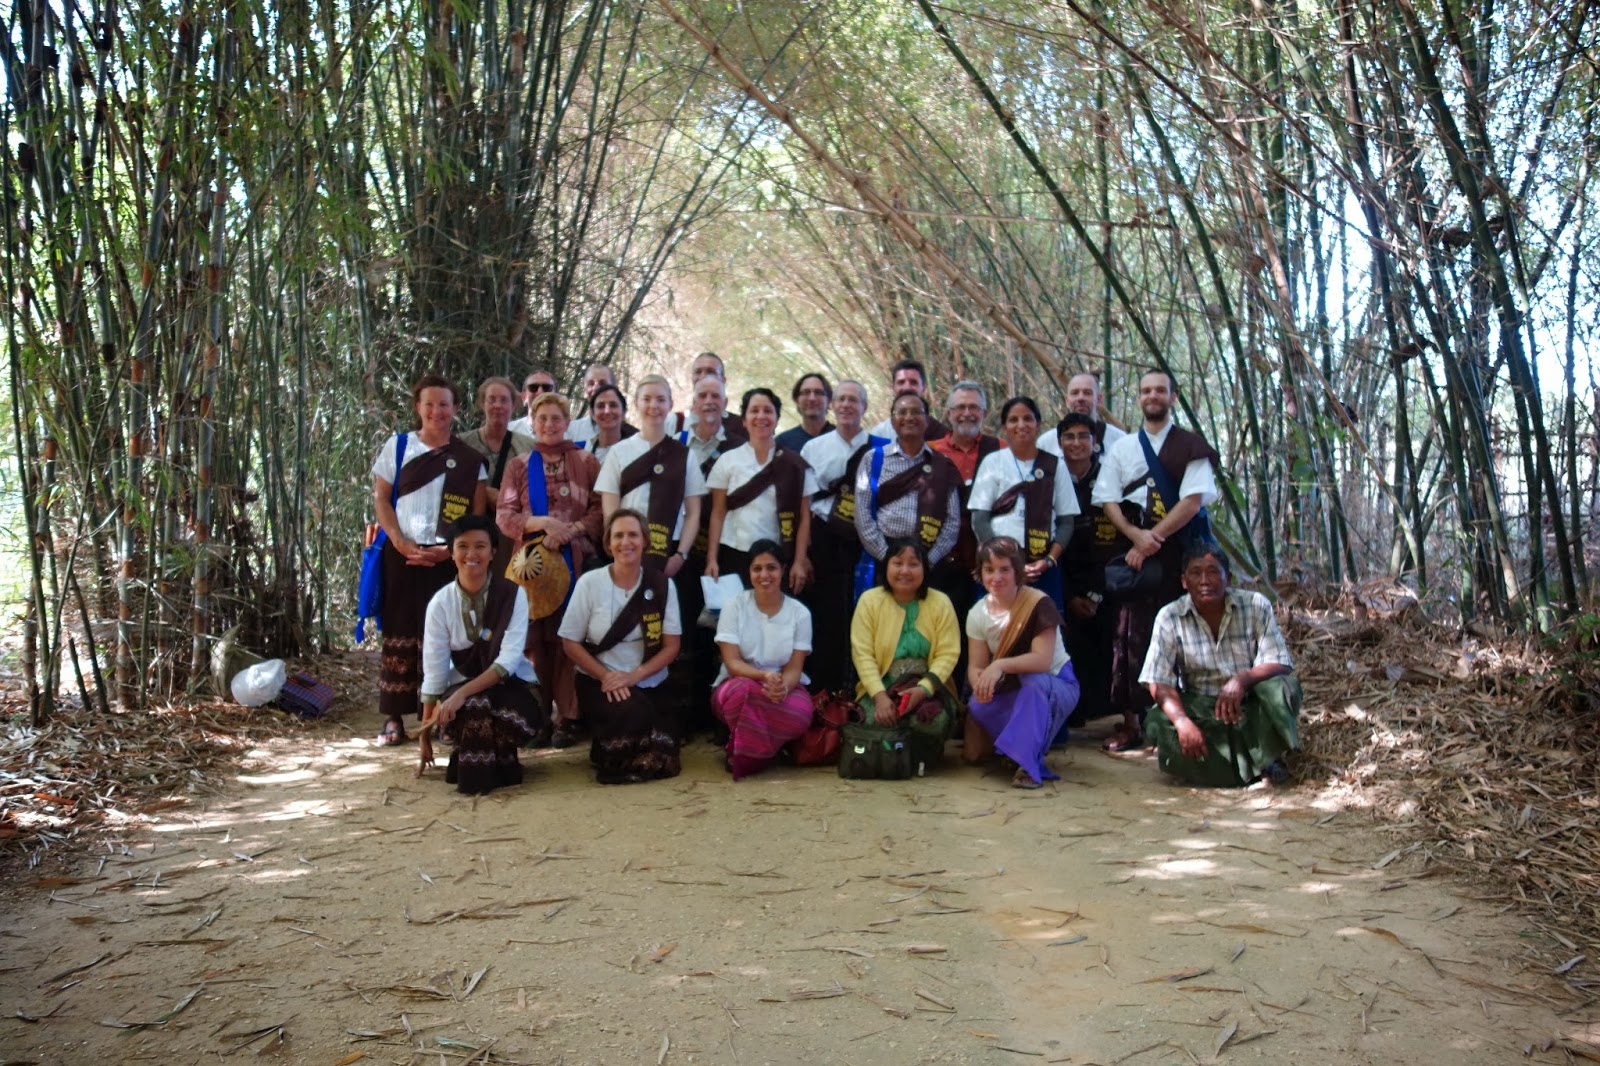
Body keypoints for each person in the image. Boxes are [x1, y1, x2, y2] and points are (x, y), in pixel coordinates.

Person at [1092, 369, 1219, 752]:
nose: (1152, 396)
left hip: (1180, 552)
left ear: (1173, 397)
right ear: (1139, 398)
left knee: (1180, 634)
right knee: (1128, 632)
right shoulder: (1123, 448)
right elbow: (1108, 498)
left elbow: (1192, 501)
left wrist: (1153, 538)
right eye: (1146, 391)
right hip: (1133, 547)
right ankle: (1132, 722)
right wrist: (1135, 537)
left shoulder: (1190, 446)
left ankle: (1170, 724)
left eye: (1160, 390)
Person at [370, 374, 488, 746]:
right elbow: (381, 499)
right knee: (399, 630)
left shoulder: (470, 460)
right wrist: (401, 542)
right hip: (401, 554)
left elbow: (477, 517)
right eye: (429, 404)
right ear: (417, 407)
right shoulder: (399, 446)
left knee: (444, 634)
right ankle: (394, 715)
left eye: (444, 404)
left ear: (455, 409)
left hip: (447, 559)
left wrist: (451, 550)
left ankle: (442, 715)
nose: (436, 411)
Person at [1140, 545, 1299, 787]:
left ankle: (1266, 759)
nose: (1205, 581)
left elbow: (1280, 663)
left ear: (1229, 579)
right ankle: (1234, 766)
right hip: (1202, 708)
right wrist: (1183, 723)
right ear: (1184, 581)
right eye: (1196, 572)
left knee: (1281, 689)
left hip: (1247, 704)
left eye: (1213, 572)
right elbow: (1158, 681)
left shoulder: (1256, 605)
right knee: (1157, 720)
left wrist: (1241, 681)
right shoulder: (1169, 616)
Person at [497, 391, 603, 747]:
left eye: (556, 418)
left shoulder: (586, 462)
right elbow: (504, 515)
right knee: (535, 641)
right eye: (542, 419)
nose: (549, 425)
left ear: (567, 422)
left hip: (574, 562)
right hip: (530, 567)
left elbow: (599, 510)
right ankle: (539, 715)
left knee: (568, 638)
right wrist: (540, 522)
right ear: (532, 422)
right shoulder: (519, 465)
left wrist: (569, 532)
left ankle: (569, 718)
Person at [415, 515, 539, 794]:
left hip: (510, 687)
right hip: (459, 690)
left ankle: (475, 768)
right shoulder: (440, 604)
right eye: (463, 546)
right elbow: (434, 671)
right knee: (474, 706)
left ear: (494, 552)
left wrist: (461, 694)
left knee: (477, 703)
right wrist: (425, 735)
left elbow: (507, 661)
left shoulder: (512, 594)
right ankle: (492, 770)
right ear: (451, 553)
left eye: (480, 546)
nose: (472, 555)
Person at [558, 509, 683, 784]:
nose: (626, 542)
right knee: (630, 711)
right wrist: (608, 677)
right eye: (618, 536)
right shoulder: (590, 583)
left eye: (633, 535)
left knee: (666, 739)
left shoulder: (662, 585)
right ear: (608, 544)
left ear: (645, 541)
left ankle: (612, 748)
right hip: (600, 681)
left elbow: (671, 646)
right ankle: (614, 760)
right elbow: (570, 642)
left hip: (648, 680)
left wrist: (634, 676)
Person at [964, 537, 1079, 788]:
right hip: (1016, 684)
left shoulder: (1038, 603)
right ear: (980, 573)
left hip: (1056, 683)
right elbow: (975, 666)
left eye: (1005, 569)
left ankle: (1028, 765)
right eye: (989, 569)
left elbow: (1042, 661)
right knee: (977, 705)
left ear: (1018, 571)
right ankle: (1014, 752)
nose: (997, 577)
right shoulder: (977, 614)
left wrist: (999, 666)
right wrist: (980, 685)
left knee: (1033, 685)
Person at [850, 539, 963, 772]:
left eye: (913, 564)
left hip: (928, 687)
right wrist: (880, 698)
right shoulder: (869, 601)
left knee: (930, 722)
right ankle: (893, 761)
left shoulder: (940, 602)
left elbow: (948, 653)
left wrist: (923, 690)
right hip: (881, 686)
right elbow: (862, 654)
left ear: (924, 569)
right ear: (886, 567)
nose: (904, 571)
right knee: (874, 721)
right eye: (897, 563)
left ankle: (921, 760)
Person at [710, 540, 815, 779]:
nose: (764, 575)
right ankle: (761, 750)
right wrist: (763, 677)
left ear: (783, 570)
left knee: (802, 713)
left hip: (783, 687)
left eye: (771, 568)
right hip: (739, 682)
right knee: (742, 694)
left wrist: (782, 687)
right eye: (757, 569)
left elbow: (795, 668)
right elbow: (732, 663)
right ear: (749, 572)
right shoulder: (734, 606)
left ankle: (750, 748)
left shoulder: (800, 613)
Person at [968, 396, 1078, 611]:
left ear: (1038, 424)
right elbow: (979, 519)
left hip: (1042, 569)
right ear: (1004, 428)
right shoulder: (993, 462)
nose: (1021, 425)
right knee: (997, 632)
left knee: (1044, 632)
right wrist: (1005, 562)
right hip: (999, 568)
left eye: (1028, 418)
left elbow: (1067, 522)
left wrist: (1048, 561)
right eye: (1013, 420)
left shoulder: (1055, 466)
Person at [799, 379, 873, 692]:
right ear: (832, 405)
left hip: (866, 539)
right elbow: (803, 503)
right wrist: (802, 554)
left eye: (853, 400)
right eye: (841, 399)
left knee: (863, 613)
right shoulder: (813, 448)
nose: (846, 406)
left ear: (864, 408)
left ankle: (860, 686)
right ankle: (825, 692)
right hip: (824, 539)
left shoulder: (879, 446)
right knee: (828, 617)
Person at [705, 387, 817, 591]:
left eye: (767, 410)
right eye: (754, 411)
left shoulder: (795, 465)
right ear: (744, 420)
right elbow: (718, 512)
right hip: (733, 552)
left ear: (776, 418)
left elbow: (804, 517)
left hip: (776, 555)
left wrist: (799, 562)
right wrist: (712, 559)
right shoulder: (728, 461)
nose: (761, 416)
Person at [929, 380, 1000, 691]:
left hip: (990, 559)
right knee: (946, 631)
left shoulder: (1001, 450)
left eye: (974, 407)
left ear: (984, 412)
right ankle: (947, 700)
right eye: (961, 407)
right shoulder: (931, 452)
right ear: (948, 413)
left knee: (989, 631)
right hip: (942, 557)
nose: (967, 413)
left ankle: (984, 700)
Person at [596, 375, 704, 574]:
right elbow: (610, 511)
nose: (653, 406)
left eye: (661, 400)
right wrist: (618, 548)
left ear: (670, 404)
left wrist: (680, 555)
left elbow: (693, 512)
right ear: (636, 403)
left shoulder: (684, 455)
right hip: (627, 548)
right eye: (646, 399)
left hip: (671, 548)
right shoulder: (619, 452)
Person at [854, 392, 962, 575]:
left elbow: (952, 521)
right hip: (885, 553)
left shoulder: (942, 465)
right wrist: (886, 557)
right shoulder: (873, 459)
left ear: (927, 420)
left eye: (916, 412)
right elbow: (862, 513)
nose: (909, 417)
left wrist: (928, 560)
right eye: (902, 412)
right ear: (892, 421)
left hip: (927, 557)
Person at [1057, 413, 1116, 726]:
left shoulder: (1110, 479)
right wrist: (1068, 597)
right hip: (1063, 579)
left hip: (1105, 580)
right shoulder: (1051, 480)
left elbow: (1116, 544)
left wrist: (1095, 594)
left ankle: (1104, 711)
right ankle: (1071, 713)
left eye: (1084, 437)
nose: (1077, 443)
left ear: (1095, 443)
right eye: (1069, 437)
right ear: (1060, 443)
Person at [458, 376, 536, 575]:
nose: (498, 405)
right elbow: (452, 487)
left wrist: (502, 499)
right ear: (482, 404)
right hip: (471, 528)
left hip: (510, 534)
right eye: (491, 399)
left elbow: (534, 490)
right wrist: (483, 493)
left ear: (513, 405)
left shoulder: (528, 446)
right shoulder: (462, 443)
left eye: (504, 400)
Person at [1041, 371, 1126, 459]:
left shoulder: (1119, 440)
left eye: (1087, 393)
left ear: (1099, 399)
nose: (1080, 398)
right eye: (1075, 393)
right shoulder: (1047, 442)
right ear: (1067, 400)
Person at [867, 358, 949, 440]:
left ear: (924, 389)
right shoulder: (880, 434)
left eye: (913, 382)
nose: (907, 387)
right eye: (901, 382)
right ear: (893, 388)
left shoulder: (941, 434)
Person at [775, 373, 833, 452]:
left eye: (818, 392)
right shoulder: (782, 444)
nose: (812, 398)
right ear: (796, 400)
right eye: (806, 392)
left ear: (829, 400)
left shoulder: (843, 439)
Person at [577, 382, 630, 465]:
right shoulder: (581, 450)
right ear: (592, 414)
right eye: (600, 406)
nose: (607, 411)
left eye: (613, 405)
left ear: (624, 412)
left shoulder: (636, 452)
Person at [509, 368, 557, 436]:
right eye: (533, 387)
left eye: (547, 387)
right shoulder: (509, 432)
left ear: (556, 396)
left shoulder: (570, 433)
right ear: (524, 397)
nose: (540, 392)